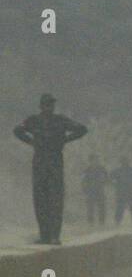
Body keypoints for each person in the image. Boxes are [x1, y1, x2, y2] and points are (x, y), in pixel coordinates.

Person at [12, 93, 88, 244]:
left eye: (51, 104)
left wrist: (64, 140)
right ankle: (44, 235)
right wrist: (32, 142)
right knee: (40, 200)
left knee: (55, 199)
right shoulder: (33, 120)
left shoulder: (60, 120)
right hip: (40, 162)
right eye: (47, 104)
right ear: (41, 106)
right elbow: (17, 130)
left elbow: (82, 129)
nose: (49, 107)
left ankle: (54, 236)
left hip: (54, 162)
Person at [110, 156, 132, 226]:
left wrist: (115, 183)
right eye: (124, 161)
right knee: (123, 207)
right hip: (123, 190)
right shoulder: (119, 170)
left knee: (130, 206)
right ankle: (119, 221)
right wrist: (115, 183)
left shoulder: (128, 170)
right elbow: (111, 178)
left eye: (126, 161)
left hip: (127, 190)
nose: (125, 163)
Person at [81, 154, 108, 226]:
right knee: (90, 207)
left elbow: (106, 178)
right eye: (94, 160)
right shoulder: (87, 170)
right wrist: (85, 190)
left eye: (97, 160)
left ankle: (102, 221)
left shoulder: (102, 169)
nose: (96, 161)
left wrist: (104, 181)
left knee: (102, 206)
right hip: (90, 191)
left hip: (100, 190)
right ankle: (91, 222)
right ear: (90, 161)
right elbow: (83, 181)